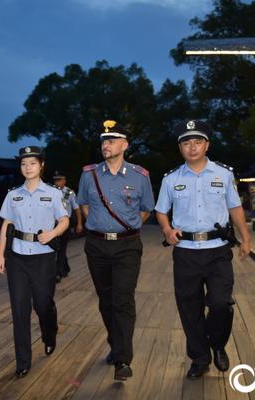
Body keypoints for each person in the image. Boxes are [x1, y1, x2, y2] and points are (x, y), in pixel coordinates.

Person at [155, 119, 251, 379]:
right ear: (180, 148)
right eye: (186, 143)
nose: (192, 147)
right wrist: (166, 229)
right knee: (189, 308)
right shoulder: (171, 179)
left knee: (221, 304)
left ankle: (217, 344)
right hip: (185, 251)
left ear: (207, 145)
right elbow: (161, 211)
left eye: (197, 142)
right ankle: (200, 358)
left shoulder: (224, 174)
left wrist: (246, 238)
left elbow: (235, 207)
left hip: (217, 250)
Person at [76, 120, 155, 381]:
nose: (105, 145)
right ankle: (116, 343)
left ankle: (122, 360)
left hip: (127, 246)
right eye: (103, 141)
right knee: (105, 299)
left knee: (123, 299)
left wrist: (127, 228)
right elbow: (85, 206)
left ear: (125, 145)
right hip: (96, 245)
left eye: (111, 141)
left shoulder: (140, 175)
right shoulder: (89, 174)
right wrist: (101, 227)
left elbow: (145, 210)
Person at [0, 146, 69, 379]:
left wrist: (53, 233)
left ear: (41, 166)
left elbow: (65, 220)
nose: (27, 167)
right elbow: (6, 226)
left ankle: (50, 333)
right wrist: (0, 255)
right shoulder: (12, 195)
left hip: (43, 256)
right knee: (19, 309)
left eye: (32, 163)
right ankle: (23, 362)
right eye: (23, 164)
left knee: (42, 304)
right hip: (17, 256)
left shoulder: (54, 193)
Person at [52, 171, 83, 282]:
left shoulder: (69, 193)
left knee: (61, 247)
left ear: (64, 181)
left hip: (65, 223)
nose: (57, 182)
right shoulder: (50, 191)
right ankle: (65, 267)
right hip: (52, 224)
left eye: (59, 179)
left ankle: (58, 273)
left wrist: (79, 223)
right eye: (55, 180)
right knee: (57, 248)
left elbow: (77, 209)